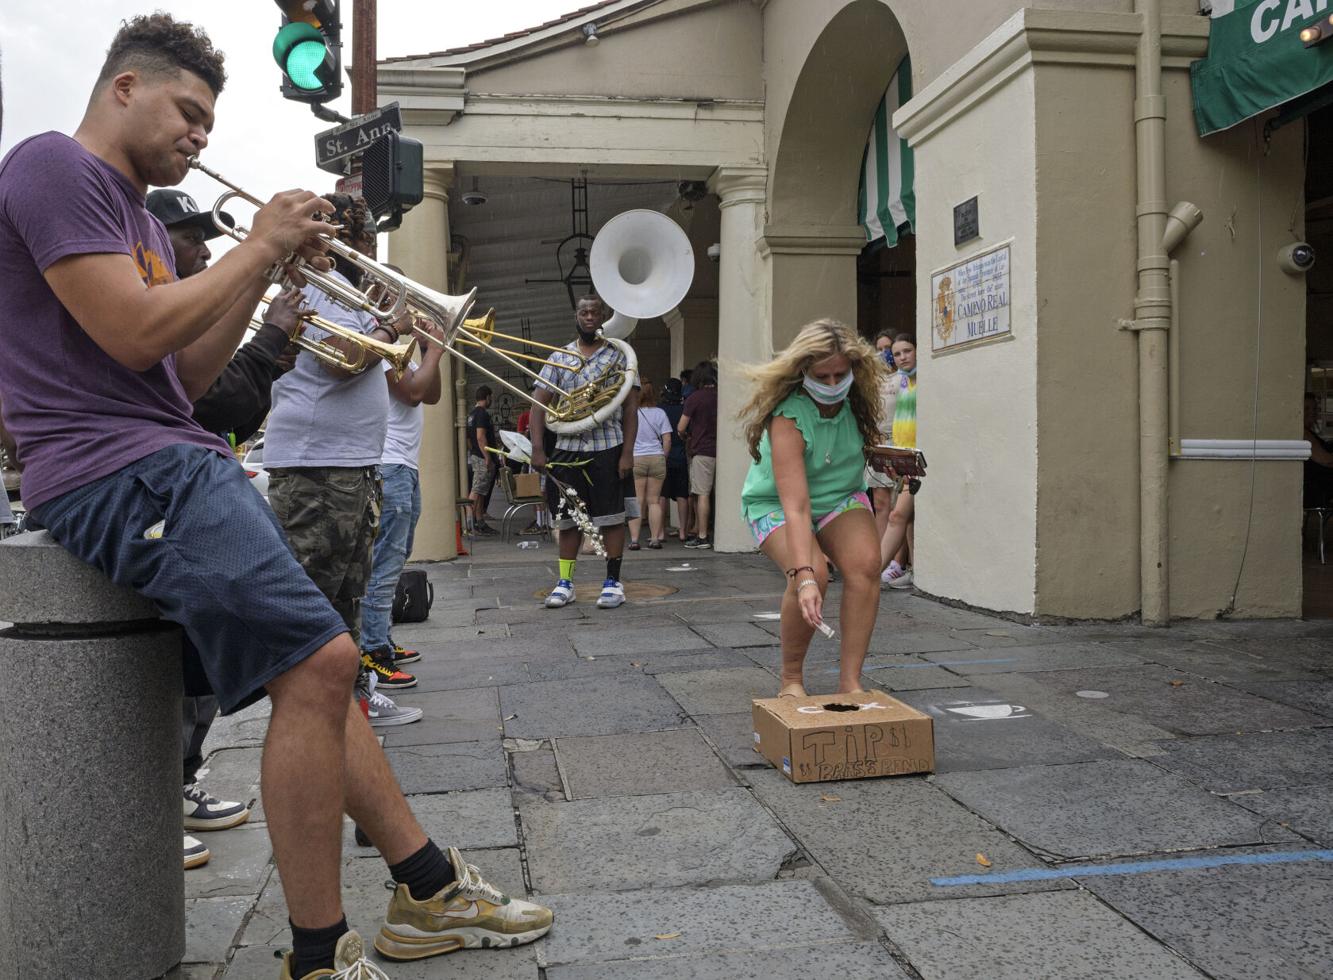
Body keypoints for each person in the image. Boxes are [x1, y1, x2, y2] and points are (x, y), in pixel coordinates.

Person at [0, 16, 551, 976]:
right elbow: (132, 337)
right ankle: (317, 955)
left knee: (319, 667)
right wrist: (256, 248)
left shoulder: (138, 220)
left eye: (210, 123)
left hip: (170, 453)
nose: (200, 137)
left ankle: (423, 888)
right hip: (118, 471)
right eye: (188, 112)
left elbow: (181, 382)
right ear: (124, 88)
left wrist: (266, 293)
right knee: (325, 662)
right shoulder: (54, 166)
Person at [147, 186, 308, 868]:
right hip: (157, 502)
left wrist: (271, 350)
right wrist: (270, 338)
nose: (205, 248)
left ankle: (180, 783)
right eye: (190, 236)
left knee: (196, 667)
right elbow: (211, 402)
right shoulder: (156, 315)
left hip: (192, 494)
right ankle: (146, 808)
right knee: (160, 669)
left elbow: (237, 414)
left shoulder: (196, 313)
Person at [738, 319, 887, 697]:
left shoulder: (858, 401)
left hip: (840, 498)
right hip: (776, 503)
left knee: (867, 565)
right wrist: (804, 575)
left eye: (842, 374)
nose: (834, 384)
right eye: (824, 375)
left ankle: (850, 680)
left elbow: (842, 452)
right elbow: (797, 506)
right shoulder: (788, 416)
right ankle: (791, 679)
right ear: (803, 370)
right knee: (814, 574)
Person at [358, 290, 451, 725]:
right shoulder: (381, 347)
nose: (411, 313)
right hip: (389, 463)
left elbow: (429, 393)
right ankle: (373, 651)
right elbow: (412, 394)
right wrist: (432, 348)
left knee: (395, 558)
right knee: (384, 561)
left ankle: (381, 638)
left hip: (404, 464)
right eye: (403, 305)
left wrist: (432, 351)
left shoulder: (403, 352)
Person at [530, 293, 638, 609]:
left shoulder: (619, 356)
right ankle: (565, 583)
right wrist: (538, 448)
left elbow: (630, 408)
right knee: (568, 518)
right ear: (576, 316)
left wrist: (628, 452)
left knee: (612, 517)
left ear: (603, 316)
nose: (589, 316)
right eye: (584, 312)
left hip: (609, 446)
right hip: (567, 449)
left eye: (594, 311)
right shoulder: (559, 357)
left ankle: (613, 582)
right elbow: (538, 405)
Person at [878, 333, 918, 589]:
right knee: (910, 519)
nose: (902, 357)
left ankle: (872, 570)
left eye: (907, 351)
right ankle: (915, 571)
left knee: (897, 515)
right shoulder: (903, 381)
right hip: (903, 456)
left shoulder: (921, 379)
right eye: (898, 353)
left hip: (918, 459)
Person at [679, 361, 718, 549]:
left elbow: (681, 427)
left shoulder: (694, 398)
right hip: (722, 450)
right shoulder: (721, 396)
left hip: (701, 450)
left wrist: (686, 436)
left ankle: (702, 535)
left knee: (701, 493)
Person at [629, 380, 672, 549]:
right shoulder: (660, 413)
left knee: (638, 500)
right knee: (654, 501)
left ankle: (634, 540)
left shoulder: (632, 413)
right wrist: (663, 456)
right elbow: (667, 438)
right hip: (656, 457)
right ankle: (655, 538)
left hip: (637, 458)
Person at [659, 377, 691, 542]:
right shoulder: (684, 409)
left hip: (663, 455)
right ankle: (683, 532)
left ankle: (660, 532)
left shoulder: (660, 410)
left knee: (662, 495)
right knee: (682, 495)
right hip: (680, 455)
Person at [466, 385, 499, 534]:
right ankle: (470, 524)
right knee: (476, 490)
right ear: (487, 397)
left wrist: (473, 452)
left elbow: (469, 439)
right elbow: (480, 437)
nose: (491, 400)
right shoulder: (482, 414)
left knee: (480, 491)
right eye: (490, 397)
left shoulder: (471, 415)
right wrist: (487, 458)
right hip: (482, 457)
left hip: (475, 455)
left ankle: (479, 521)